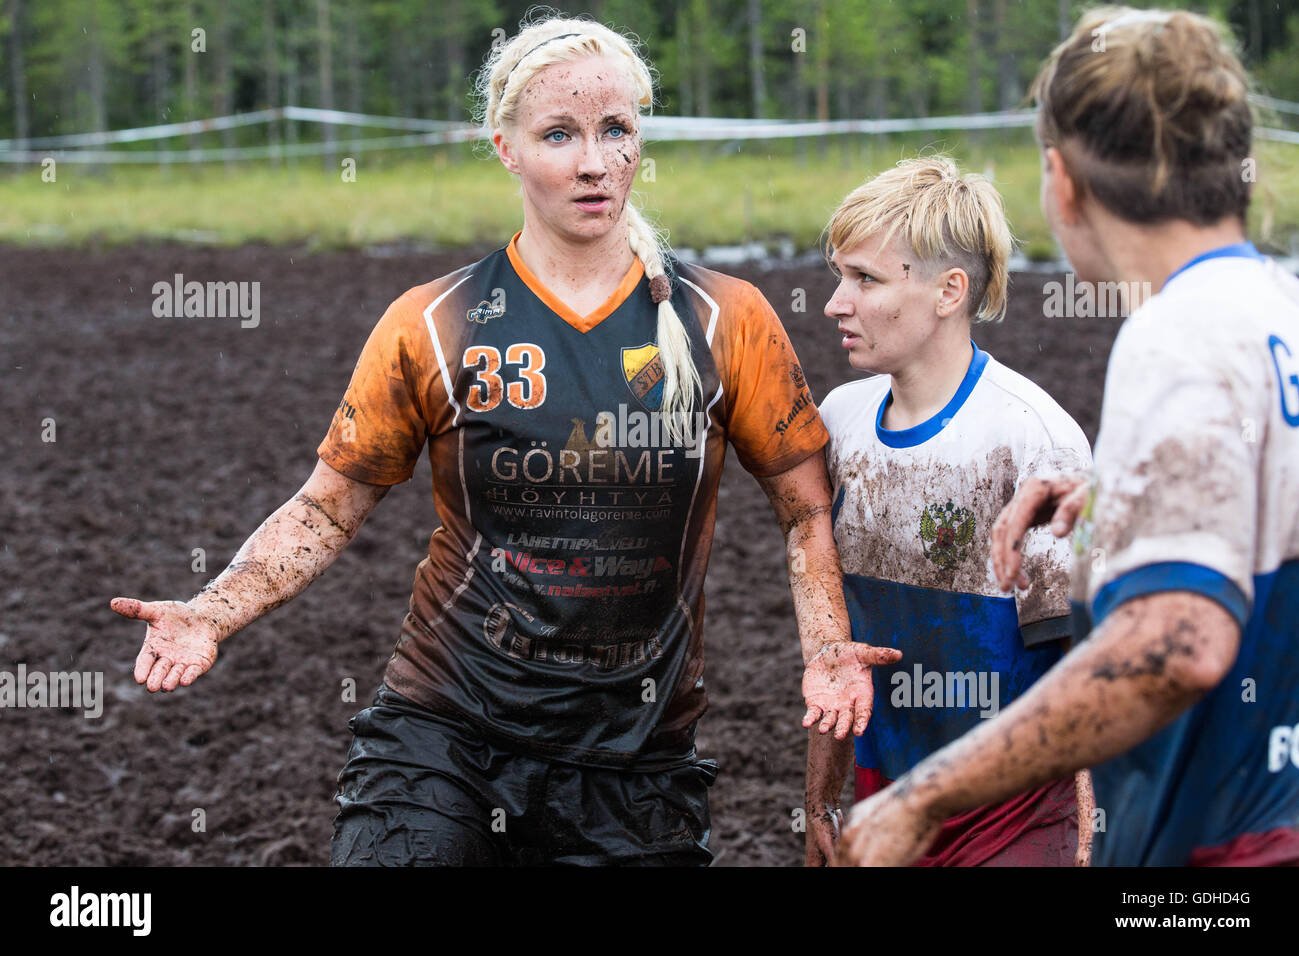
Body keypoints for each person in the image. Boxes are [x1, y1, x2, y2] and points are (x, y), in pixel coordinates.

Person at [110, 12, 899, 866]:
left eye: (615, 130)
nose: (595, 161)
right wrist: (211, 610)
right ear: (507, 148)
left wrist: (825, 647)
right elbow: (327, 510)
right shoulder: (435, 323)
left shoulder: (723, 319)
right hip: (445, 736)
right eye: (559, 134)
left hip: (637, 761)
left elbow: (803, 508)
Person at [835, 6, 1299, 867]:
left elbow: (1179, 647)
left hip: (1217, 856)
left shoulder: (1176, 332)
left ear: (1063, 178)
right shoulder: (1279, 308)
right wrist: (1121, 500)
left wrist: (928, 794)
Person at [806, 156, 1094, 866]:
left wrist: (1084, 831)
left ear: (949, 291)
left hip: (1013, 812)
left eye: (865, 279)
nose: (835, 303)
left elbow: (1081, 655)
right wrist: (821, 799)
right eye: (840, 276)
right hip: (883, 804)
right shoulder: (839, 421)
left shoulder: (1032, 436)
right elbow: (839, 644)